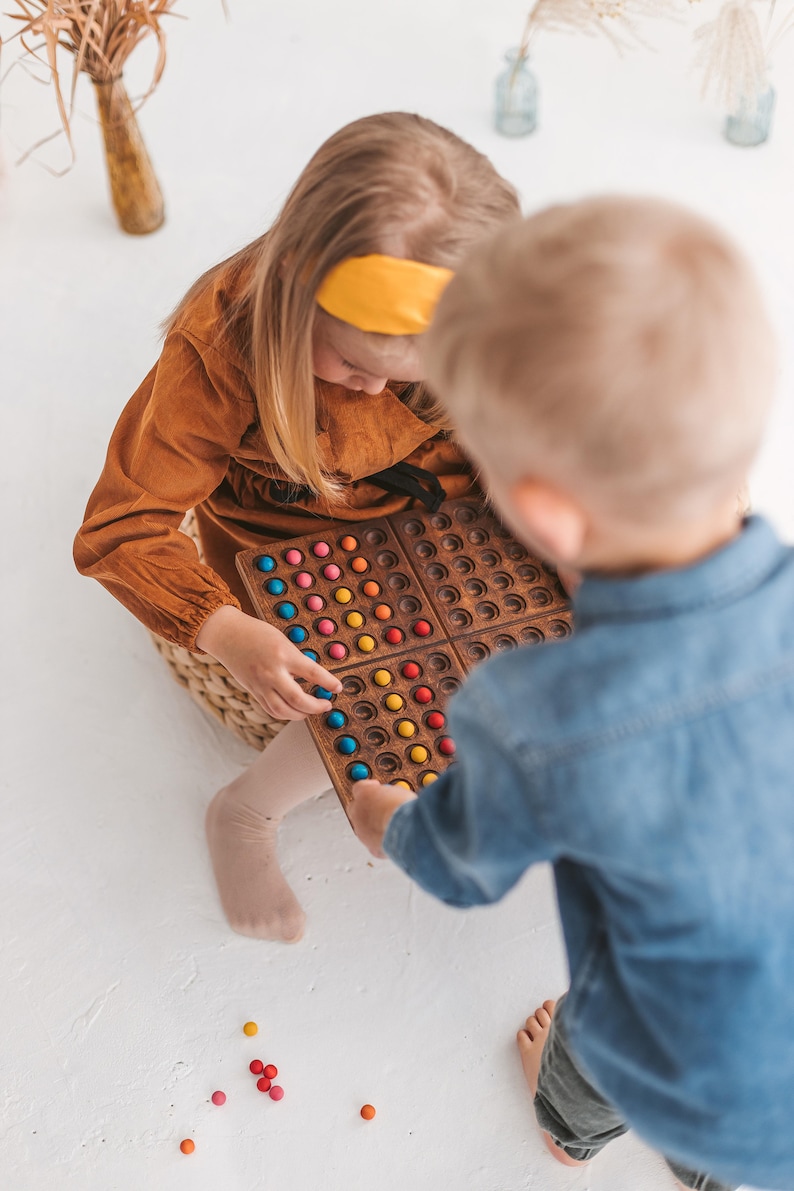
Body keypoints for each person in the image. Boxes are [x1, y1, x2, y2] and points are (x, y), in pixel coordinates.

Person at [348, 196, 794, 1191]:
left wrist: (387, 820)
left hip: (678, 1059)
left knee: (610, 1041)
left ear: (542, 512)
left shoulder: (538, 715)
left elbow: (463, 867)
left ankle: (568, 1131)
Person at [73, 112, 520, 944]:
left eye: (412, 372)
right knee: (350, 677)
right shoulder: (220, 352)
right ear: (293, 292)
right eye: (355, 367)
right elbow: (122, 525)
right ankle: (245, 809)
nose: (378, 392)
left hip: (449, 508)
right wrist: (228, 630)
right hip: (292, 538)